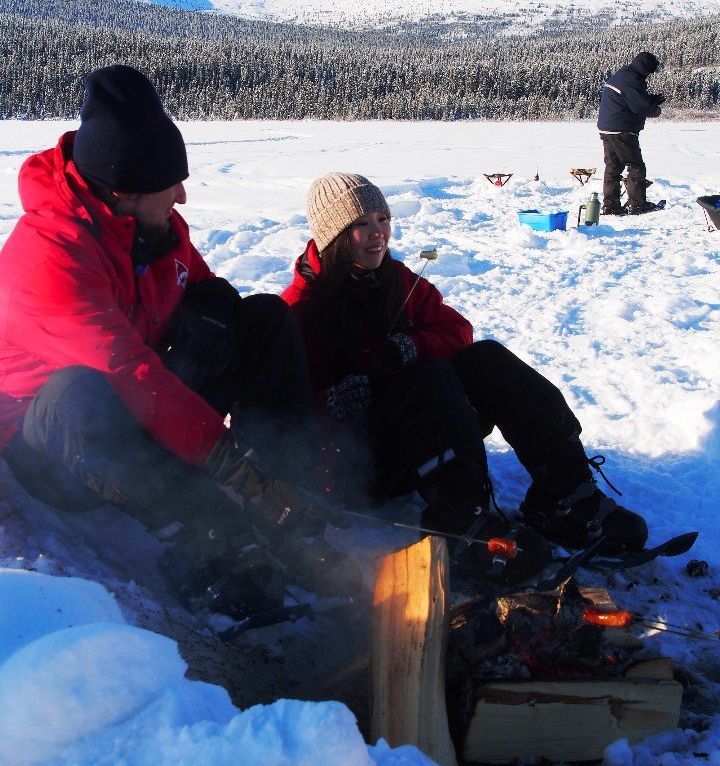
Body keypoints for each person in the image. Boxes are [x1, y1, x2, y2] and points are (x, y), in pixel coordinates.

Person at [0, 65, 358, 620]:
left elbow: (200, 289)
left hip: (144, 398)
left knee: (260, 318)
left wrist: (215, 302)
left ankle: (290, 497)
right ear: (123, 189)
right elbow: (131, 375)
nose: (184, 196)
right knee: (75, 394)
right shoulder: (46, 260)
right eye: (172, 183)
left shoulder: (155, 226)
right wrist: (232, 468)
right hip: (62, 449)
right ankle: (209, 538)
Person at [281, 173, 648, 583]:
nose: (377, 233)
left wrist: (414, 345)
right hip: (357, 470)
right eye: (360, 224)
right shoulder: (299, 309)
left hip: (419, 440)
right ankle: (459, 527)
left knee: (484, 358)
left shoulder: (397, 280)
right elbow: (277, 413)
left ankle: (565, 496)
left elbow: (457, 331)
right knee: (431, 375)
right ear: (333, 235)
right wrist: (331, 402)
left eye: (382, 218)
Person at [597, 51, 666, 215]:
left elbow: (631, 100)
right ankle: (637, 204)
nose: (650, 75)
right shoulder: (632, 80)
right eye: (650, 71)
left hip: (608, 128)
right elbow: (640, 107)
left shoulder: (624, 75)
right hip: (621, 129)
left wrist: (650, 100)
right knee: (635, 166)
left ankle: (610, 205)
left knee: (613, 167)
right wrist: (655, 108)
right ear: (645, 68)